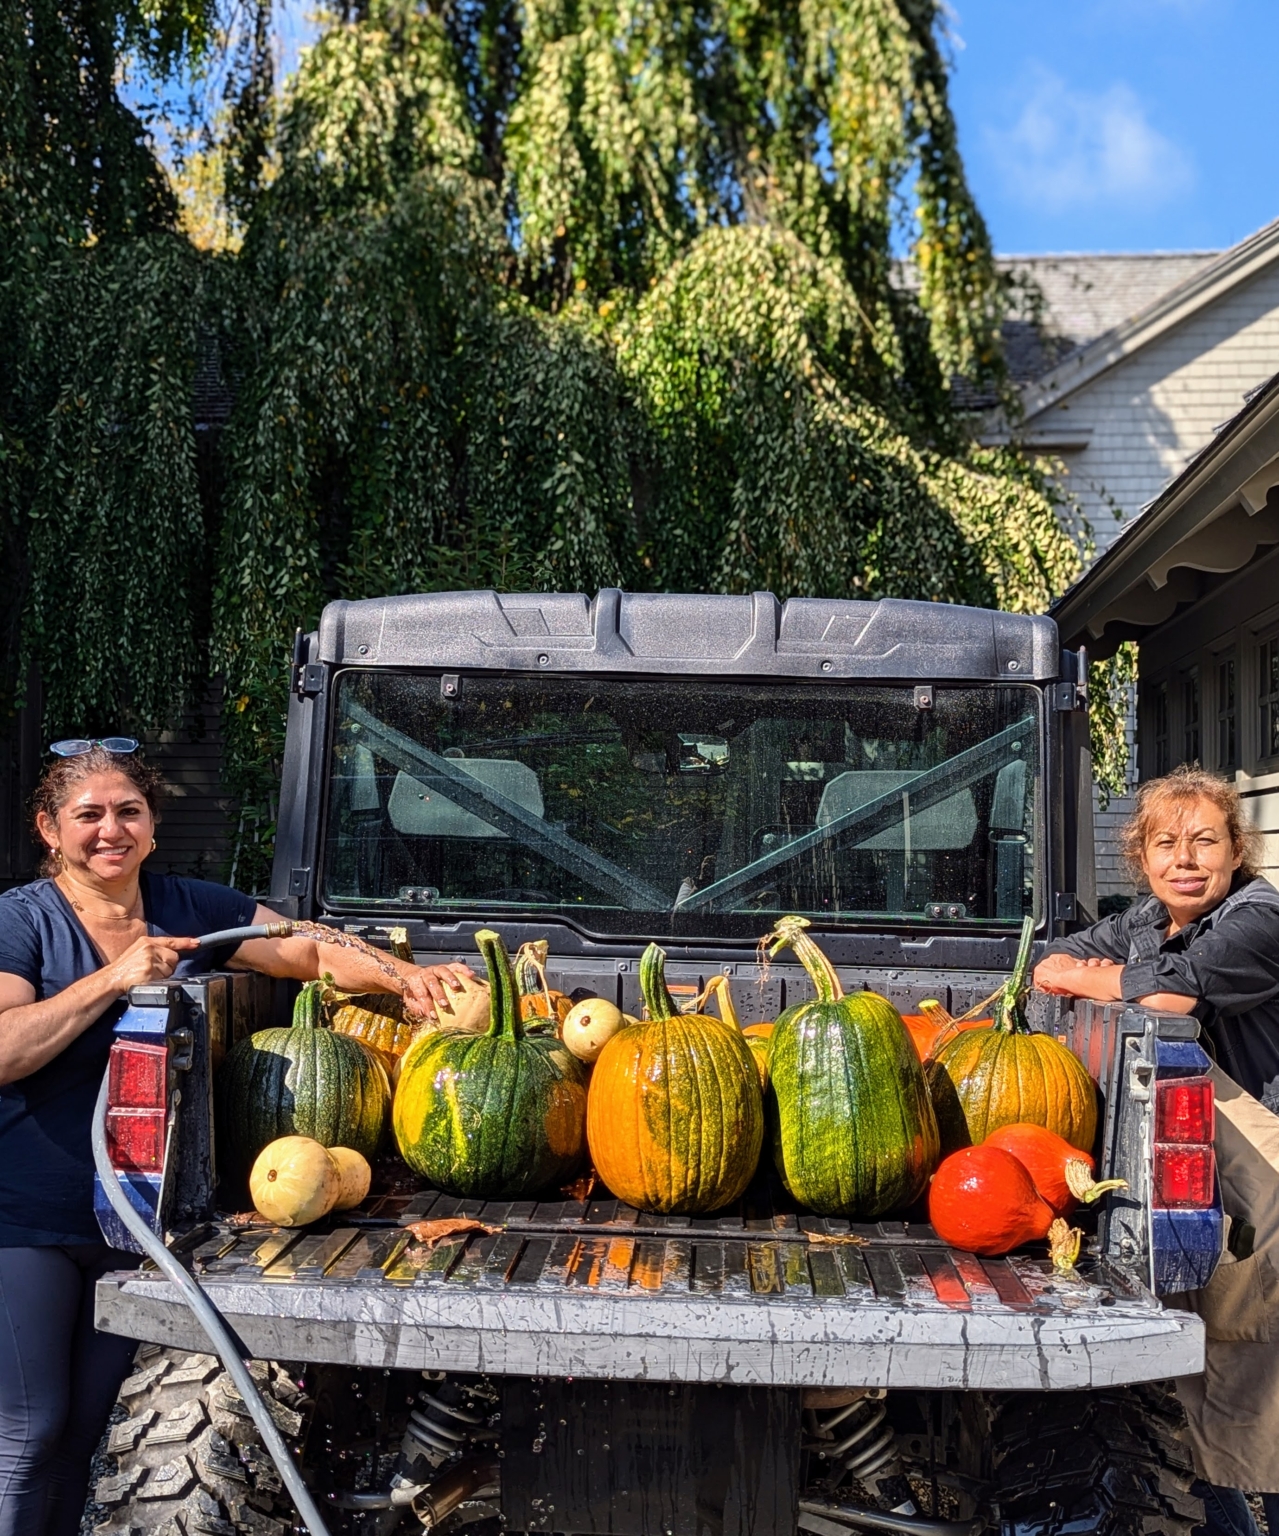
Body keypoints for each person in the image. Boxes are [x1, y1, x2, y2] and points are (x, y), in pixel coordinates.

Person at [0, 740, 475, 1536]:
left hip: (140, 1229)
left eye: (128, 812)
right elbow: (7, 1046)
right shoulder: (22, 922)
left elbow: (309, 944)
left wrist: (404, 978)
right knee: (29, 1433)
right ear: (50, 829)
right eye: (88, 815)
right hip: (27, 1223)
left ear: (152, 826)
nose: (109, 830)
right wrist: (112, 980)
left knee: (87, 1433)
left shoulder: (187, 906)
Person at [1034, 764, 1279, 1533]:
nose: (1184, 858)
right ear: (1140, 857)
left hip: (1264, 1166)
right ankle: (1218, 1508)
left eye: (1204, 841)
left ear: (1235, 851)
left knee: (1254, 1345)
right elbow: (1053, 962)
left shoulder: (1259, 919)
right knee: (1189, 1351)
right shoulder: (1144, 922)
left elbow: (1171, 995)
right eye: (1165, 843)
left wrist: (1090, 976)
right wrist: (1092, 970)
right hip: (1192, 1163)